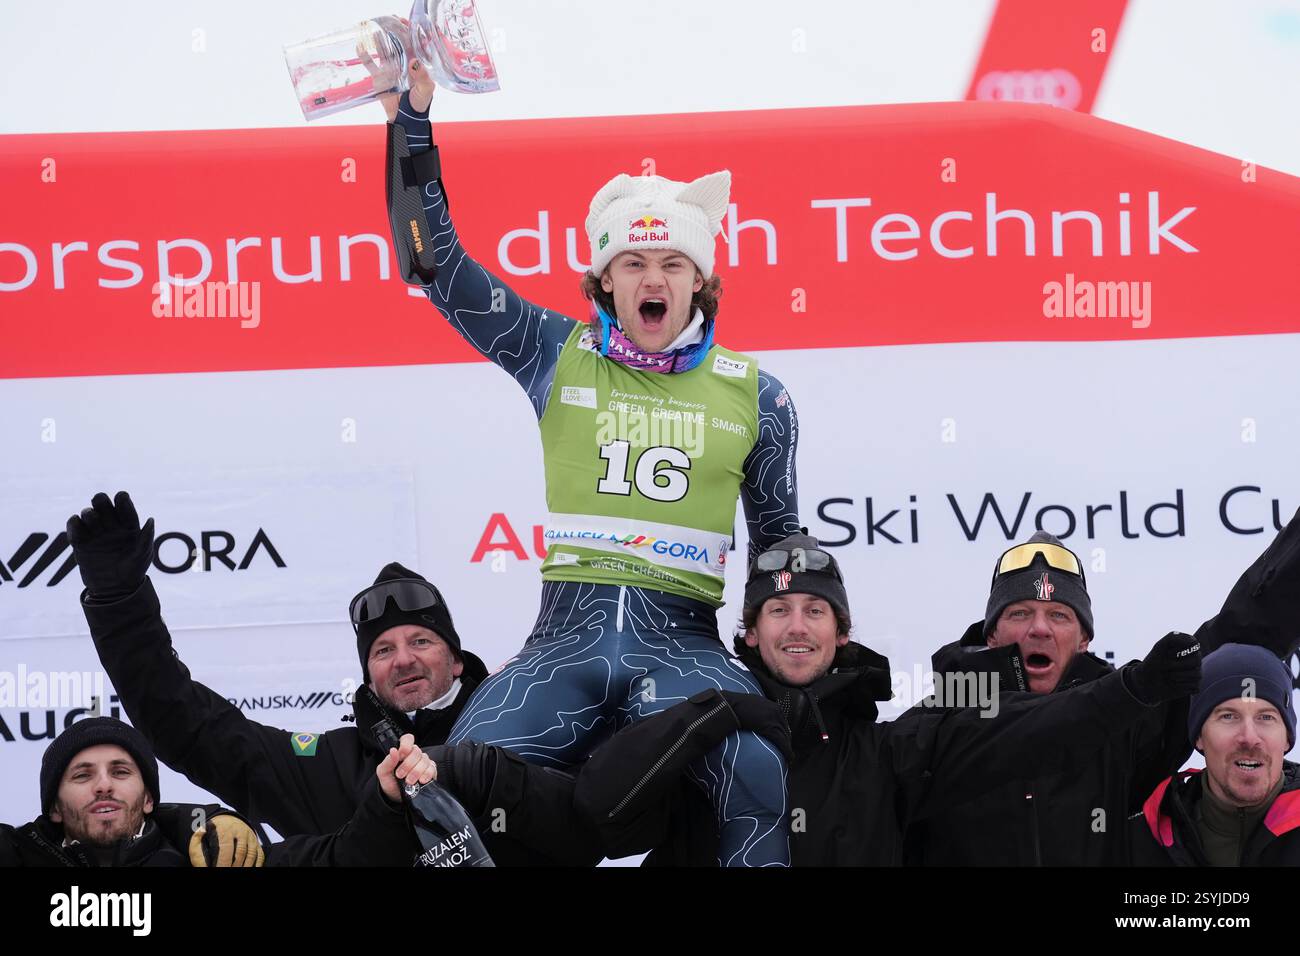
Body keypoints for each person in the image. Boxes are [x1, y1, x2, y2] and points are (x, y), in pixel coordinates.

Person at [381, 62, 799, 865]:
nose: (653, 280)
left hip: (684, 651)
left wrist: (798, 650)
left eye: (673, 265)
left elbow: (782, 555)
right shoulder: (554, 351)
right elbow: (433, 264)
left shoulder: (761, 395)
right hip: (559, 654)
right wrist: (412, 127)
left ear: (701, 281)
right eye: (634, 266)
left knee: (757, 773)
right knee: (443, 787)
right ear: (606, 280)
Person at [573, 531, 1202, 865]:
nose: (797, 626)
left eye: (815, 610)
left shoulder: (889, 752)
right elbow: (601, 810)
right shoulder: (701, 734)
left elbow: (1024, 735)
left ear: (841, 634)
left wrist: (1134, 687)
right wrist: (708, 718)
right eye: (779, 610)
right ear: (749, 632)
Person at [71, 491, 600, 865]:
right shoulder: (329, 765)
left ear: (457, 661)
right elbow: (185, 721)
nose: (403, 660)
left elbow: (595, 826)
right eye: (383, 651)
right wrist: (119, 604)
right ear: (368, 678)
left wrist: (493, 778)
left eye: (421, 642)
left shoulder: (526, 728)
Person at [908, 519, 1300, 865]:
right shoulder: (935, 728)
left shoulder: (1129, 719)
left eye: (1059, 615)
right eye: (1020, 613)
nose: (1040, 629)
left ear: (1083, 640)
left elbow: (1247, 627)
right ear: (991, 634)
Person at [0, 717, 262, 867]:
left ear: (149, 799)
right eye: (82, 775)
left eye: (120, 772)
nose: (103, 785)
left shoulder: (204, 858)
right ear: (54, 808)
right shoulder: (17, 855)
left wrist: (206, 821)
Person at [1132, 643, 1300, 866]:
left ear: (1287, 737)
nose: (1249, 738)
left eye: (1266, 717)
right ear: (1199, 736)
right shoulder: (1142, 840)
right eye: (1229, 716)